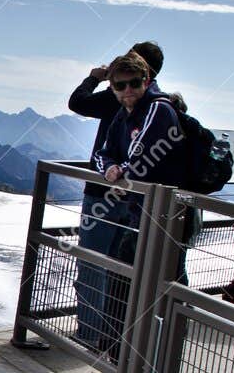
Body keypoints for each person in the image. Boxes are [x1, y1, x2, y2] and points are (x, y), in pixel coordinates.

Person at [68, 41, 166, 352]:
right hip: (136, 200)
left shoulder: (120, 96)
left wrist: (95, 77)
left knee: (92, 262)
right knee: (120, 268)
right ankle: (111, 337)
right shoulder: (158, 101)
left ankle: (90, 333)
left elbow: (77, 103)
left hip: (103, 194)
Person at [88, 51, 189, 351]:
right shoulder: (125, 113)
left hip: (165, 216)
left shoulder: (158, 110)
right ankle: (119, 359)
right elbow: (102, 152)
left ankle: (148, 366)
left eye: (134, 83)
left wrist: (122, 170)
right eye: (120, 86)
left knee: (151, 290)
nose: (127, 91)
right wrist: (109, 169)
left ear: (146, 80)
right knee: (125, 282)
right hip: (139, 213)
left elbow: (146, 158)